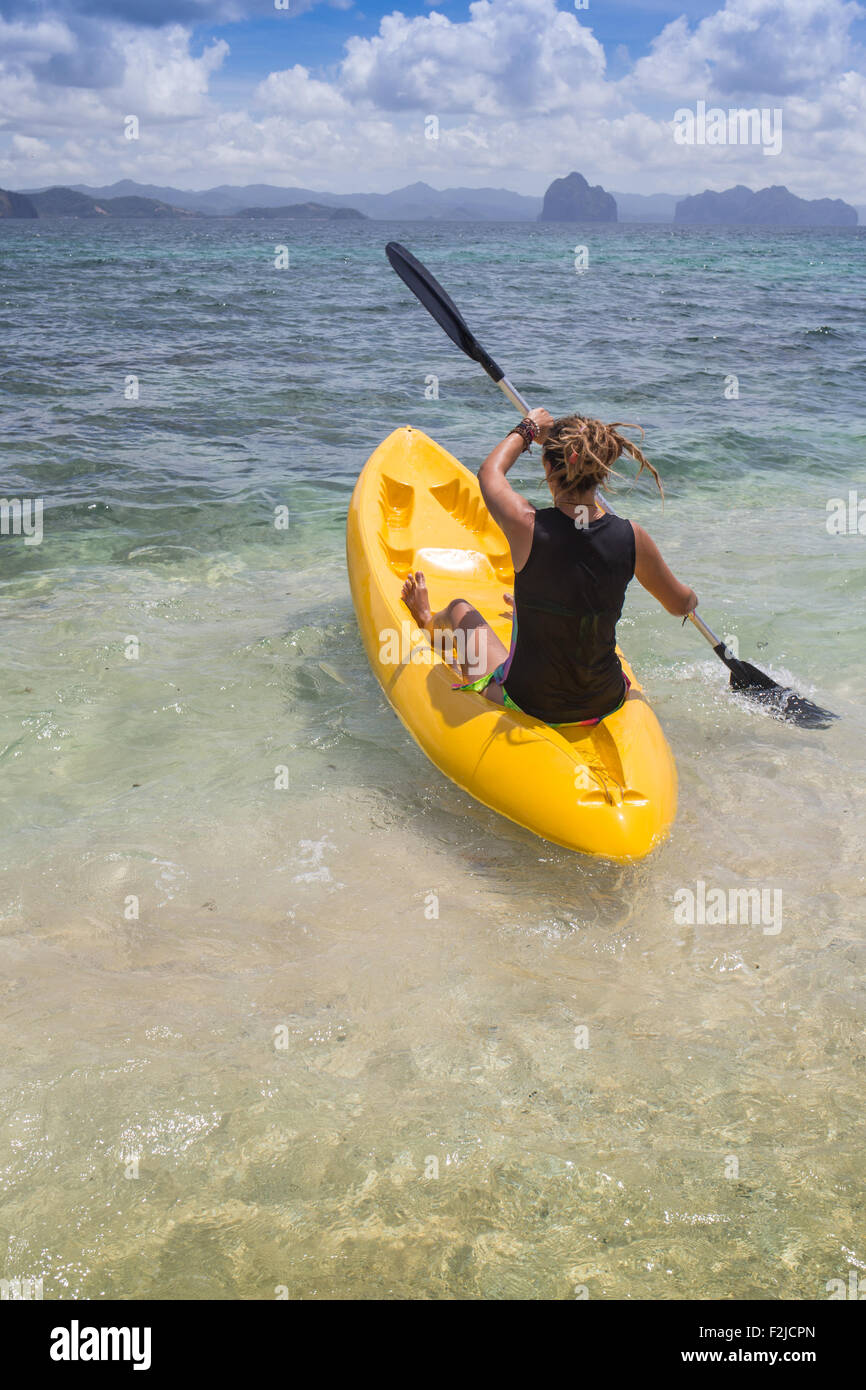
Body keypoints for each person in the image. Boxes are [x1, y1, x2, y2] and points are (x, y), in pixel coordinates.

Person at [400, 408, 698, 727]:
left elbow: (489, 473)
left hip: (529, 702)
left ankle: (427, 620)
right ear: (602, 471)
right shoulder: (633, 537)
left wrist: (528, 428)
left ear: (547, 467)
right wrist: (691, 600)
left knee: (460, 611)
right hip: (607, 699)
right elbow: (680, 604)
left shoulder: (527, 526)